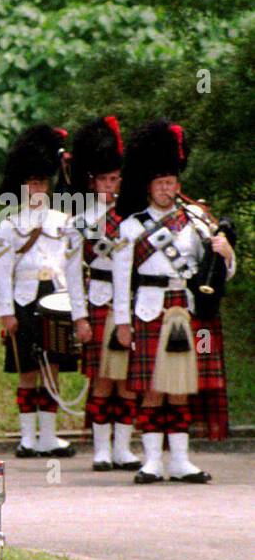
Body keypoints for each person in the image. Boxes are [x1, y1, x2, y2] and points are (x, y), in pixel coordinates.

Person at [114, 120, 236, 483]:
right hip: (150, 308)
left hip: (188, 309)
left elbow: (216, 271)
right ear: (148, 187)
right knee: (152, 388)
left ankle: (181, 461)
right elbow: (122, 280)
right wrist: (122, 322)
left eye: (171, 183)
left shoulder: (197, 221)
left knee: (182, 386)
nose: (166, 189)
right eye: (159, 183)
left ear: (177, 185)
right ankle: (152, 462)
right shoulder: (131, 227)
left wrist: (226, 254)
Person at [60, 115, 140, 471]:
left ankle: (123, 448)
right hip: (98, 300)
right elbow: (73, 273)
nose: (113, 184)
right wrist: (79, 316)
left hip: (133, 303)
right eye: (107, 179)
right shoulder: (80, 222)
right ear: (92, 181)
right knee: (102, 381)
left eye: (116, 178)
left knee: (127, 381)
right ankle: (101, 449)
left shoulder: (132, 217)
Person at [0, 124, 75, 458]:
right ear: (21, 187)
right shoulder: (9, 225)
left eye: (41, 182)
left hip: (55, 297)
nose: (36, 188)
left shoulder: (63, 221)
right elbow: (1, 271)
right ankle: (28, 439)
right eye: (30, 183)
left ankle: (49, 438)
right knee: (27, 369)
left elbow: (71, 264)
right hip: (24, 300)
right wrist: (6, 313)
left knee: (51, 368)